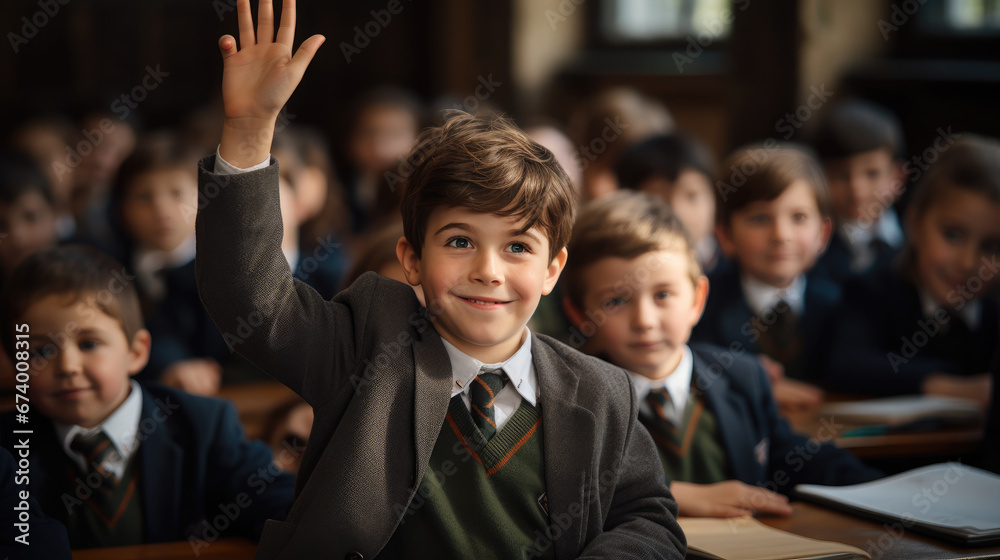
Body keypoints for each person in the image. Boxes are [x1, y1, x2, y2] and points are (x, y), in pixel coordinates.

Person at [195, 2, 685, 557]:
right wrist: (250, 129)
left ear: (553, 271)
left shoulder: (598, 391)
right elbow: (245, 295)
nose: (487, 270)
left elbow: (647, 516)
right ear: (410, 259)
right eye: (459, 241)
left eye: (518, 247)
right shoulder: (364, 345)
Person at [562, 191, 881, 518]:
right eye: (615, 301)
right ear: (580, 314)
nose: (645, 320)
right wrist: (677, 495)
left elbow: (795, 458)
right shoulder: (573, 400)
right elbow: (570, 487)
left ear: (697, 300)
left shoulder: (742, 377)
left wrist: (892, 491)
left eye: (662, 295)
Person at [0, 245, 293, 549]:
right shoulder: (8, 447)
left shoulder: (203, 427)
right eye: (42, 351)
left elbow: (278, 504)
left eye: (88, 344)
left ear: (136, 352)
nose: (67, 367)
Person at [827, 136, 1000, 401]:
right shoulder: (871, 289)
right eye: (952, 235)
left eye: (991, 247)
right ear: (915, 222)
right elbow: (846, 364)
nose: (967, 262)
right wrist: (947, 386)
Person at [692, 144, 835, 409]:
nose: (781, 235)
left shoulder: (839, 302)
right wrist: (750, 380)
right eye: (760, 218)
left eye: (799, 217)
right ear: (725, 235)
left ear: (823, 234)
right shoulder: (703, 304)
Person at [111, 133, 225, 395]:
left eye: (176, 193)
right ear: (121, 210)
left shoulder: (224, 266)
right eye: (143, 197)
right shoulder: (113, 269)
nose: (161, 209)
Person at [809, 100, 907, 286]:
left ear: (898, 178)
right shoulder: (813, 251)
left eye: (872, 173)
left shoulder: (917, 242)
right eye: (841, 175)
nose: (857, 190)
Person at [615, 133, 727, 275]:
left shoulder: (739, 266)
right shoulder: (620, 271)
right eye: (657, 198)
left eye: (691, 196)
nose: (676, 210)